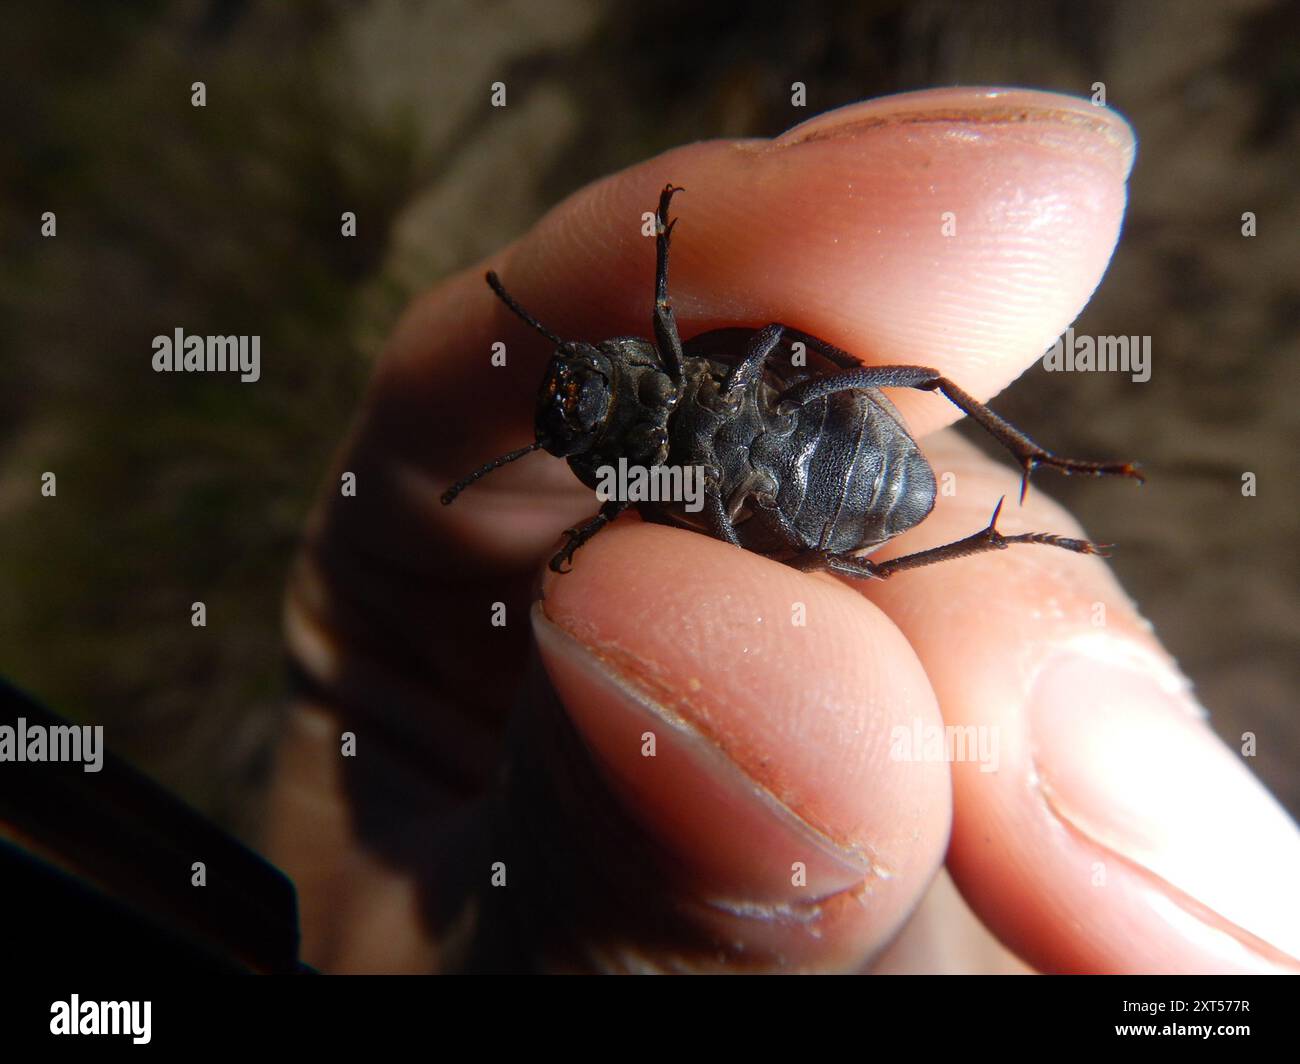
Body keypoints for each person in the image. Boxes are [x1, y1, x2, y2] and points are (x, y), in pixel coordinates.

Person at [264, 87, 1300, 974]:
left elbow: (716, 344)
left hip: (808, 432)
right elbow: (663, 500)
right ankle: (1009, 534)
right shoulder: (630, 471)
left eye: (579, 373)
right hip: (795, 477)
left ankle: (1040, 478)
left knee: (918, 394)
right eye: (573, 405)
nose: (581, 396)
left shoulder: (656, 371)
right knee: (848, 581)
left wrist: (672, 278)